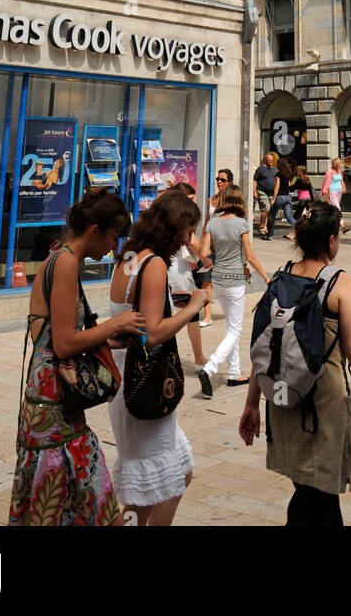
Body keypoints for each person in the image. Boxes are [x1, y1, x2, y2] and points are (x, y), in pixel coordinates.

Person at [238, 202, 351, 526]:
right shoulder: (338, 282)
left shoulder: (282, 275)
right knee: (318, 498)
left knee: (309, 492)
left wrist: (251, 403)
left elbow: (265, 347)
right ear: (331, 240)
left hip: (283, 401)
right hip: (322, 405)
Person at [9, 188, 142, 526]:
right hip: (53, 409)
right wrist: (116, 323)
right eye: (113, 238)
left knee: (71, 509)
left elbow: (53, 336)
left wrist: (108, 340)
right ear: (95, 230)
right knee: (92, 506)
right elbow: (65, 344)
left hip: (50, 404)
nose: (114, 247)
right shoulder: (66, 263)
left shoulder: (60, 256)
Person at [108, 191, 210, 526]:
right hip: (143, 384)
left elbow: (135, 313)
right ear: (174, 227)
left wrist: (171, 302)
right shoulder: (153, 265)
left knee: (178, 473)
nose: (188, 239)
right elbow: (151, 333)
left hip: (127, 379)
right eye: (188, 231)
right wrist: (193, 307)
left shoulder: (130, 257)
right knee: (145, 494)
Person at [198, 185, 269, 395]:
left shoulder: (213, 222)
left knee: (232, 327)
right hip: (235, 281)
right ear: (239, 201)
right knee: (235, 329)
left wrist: (213, 263)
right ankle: (210, 368)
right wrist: (265, 277)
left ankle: (234, 373)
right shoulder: (241, 224)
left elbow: (203, 252)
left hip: (218, 281)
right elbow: (250, 256)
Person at [167, 184, 212, 369]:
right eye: (191, 199)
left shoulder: (166, 216)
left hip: (167, 268)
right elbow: (195, 245)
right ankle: (198, 356)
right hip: (177, 273)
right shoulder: (183, 220)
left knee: (167, 312)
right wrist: (207, 259)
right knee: (191, 311)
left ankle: (192, 355)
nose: (194, 203)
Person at [198, 167, 233, 326]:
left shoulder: (231, 201)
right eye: (217, 179)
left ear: (229, 182)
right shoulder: (211, 199)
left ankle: (231, 310)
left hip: (224, 245)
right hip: (209, 244)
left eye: (222, 180)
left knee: (224, 280)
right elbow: (207, 220)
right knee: (206, 280)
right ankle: (207, 316)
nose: (219, 182)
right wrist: (202, 241)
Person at [267, 155, 298, 239]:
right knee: (289, 216)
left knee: (272, 215)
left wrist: (273, 198)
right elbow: (289, 185)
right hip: (287, 197)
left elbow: (277, 186)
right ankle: (299, 227)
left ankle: (270, 235)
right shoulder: (288, 174)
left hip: (280, 197)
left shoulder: (278, 174)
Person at [253, 152, 280, 241]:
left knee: (269, 211)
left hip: (271, 193)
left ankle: (265, 226)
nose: (271, 162)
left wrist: (275, 196)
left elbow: (277, 182)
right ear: (265, 160)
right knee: (266, 208)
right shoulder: (261, 169)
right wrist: (254, 192)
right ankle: (262, 226)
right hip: (262, 191)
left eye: (272, 161)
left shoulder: (275, 170)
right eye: (270, 161)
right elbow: (254, 180)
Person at [321, 158, 348, 232]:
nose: (340, 164)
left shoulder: (340, 171)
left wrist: (344, 187)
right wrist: (327, 196)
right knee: (337, 208)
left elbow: (341, 181)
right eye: (338, 163)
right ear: (334, 164)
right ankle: (342, 226)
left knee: (333, 209)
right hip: (332, 192)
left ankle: (329, 224)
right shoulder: (330, 172)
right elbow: (326, 184)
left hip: (339, 192)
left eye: (340, 163)